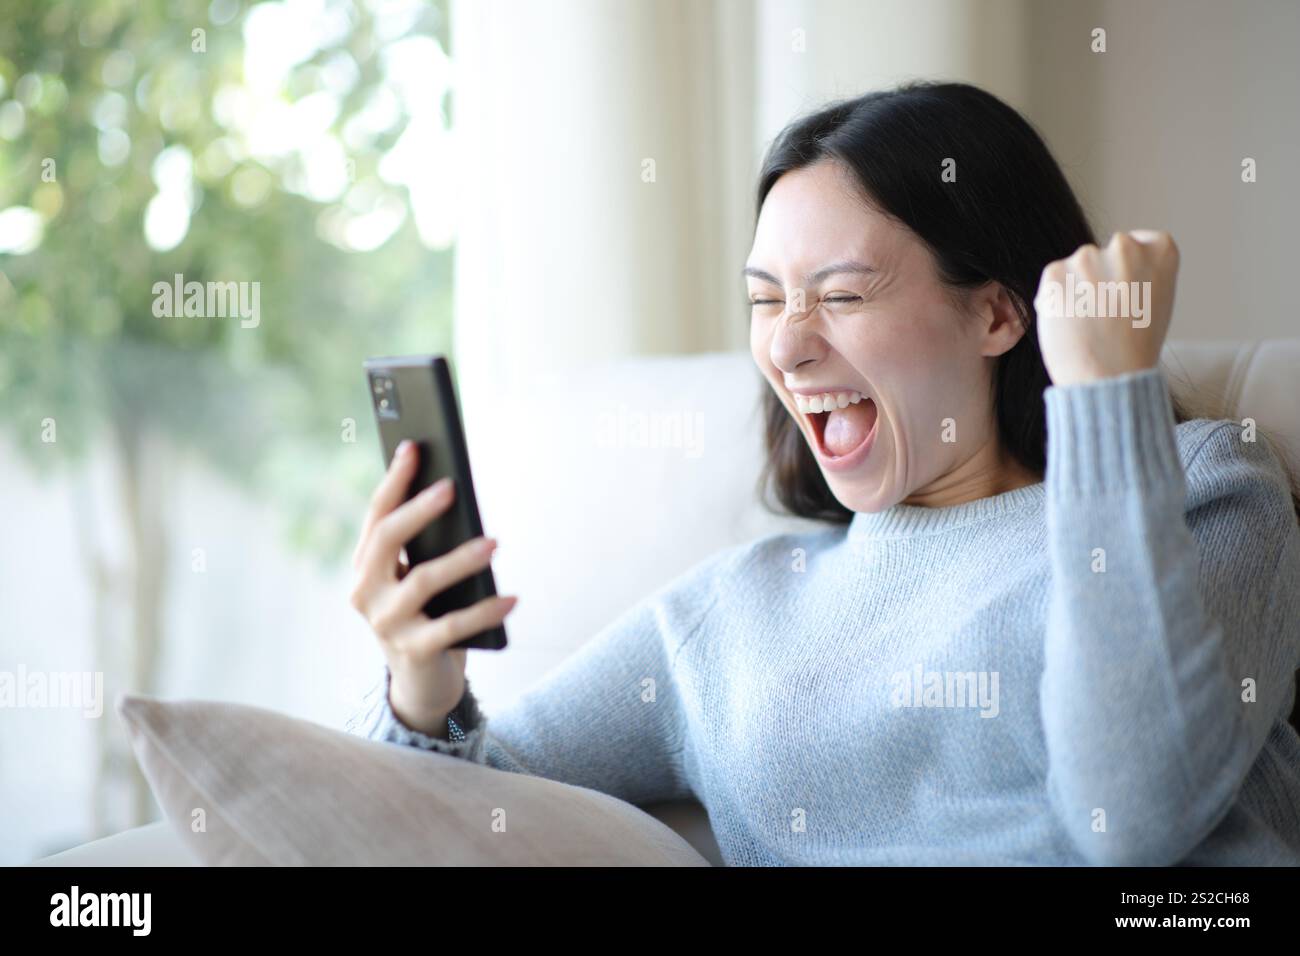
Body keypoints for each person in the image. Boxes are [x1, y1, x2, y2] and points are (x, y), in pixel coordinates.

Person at [346, 81, 1300, 866]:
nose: (789, 348)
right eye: (766, 301)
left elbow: (1130, 823)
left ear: (1001, 315)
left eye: (841, 294)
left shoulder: (1203, 485)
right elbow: (457, 812)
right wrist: (418, 692)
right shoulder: (727, 617)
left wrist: (1107, 400)